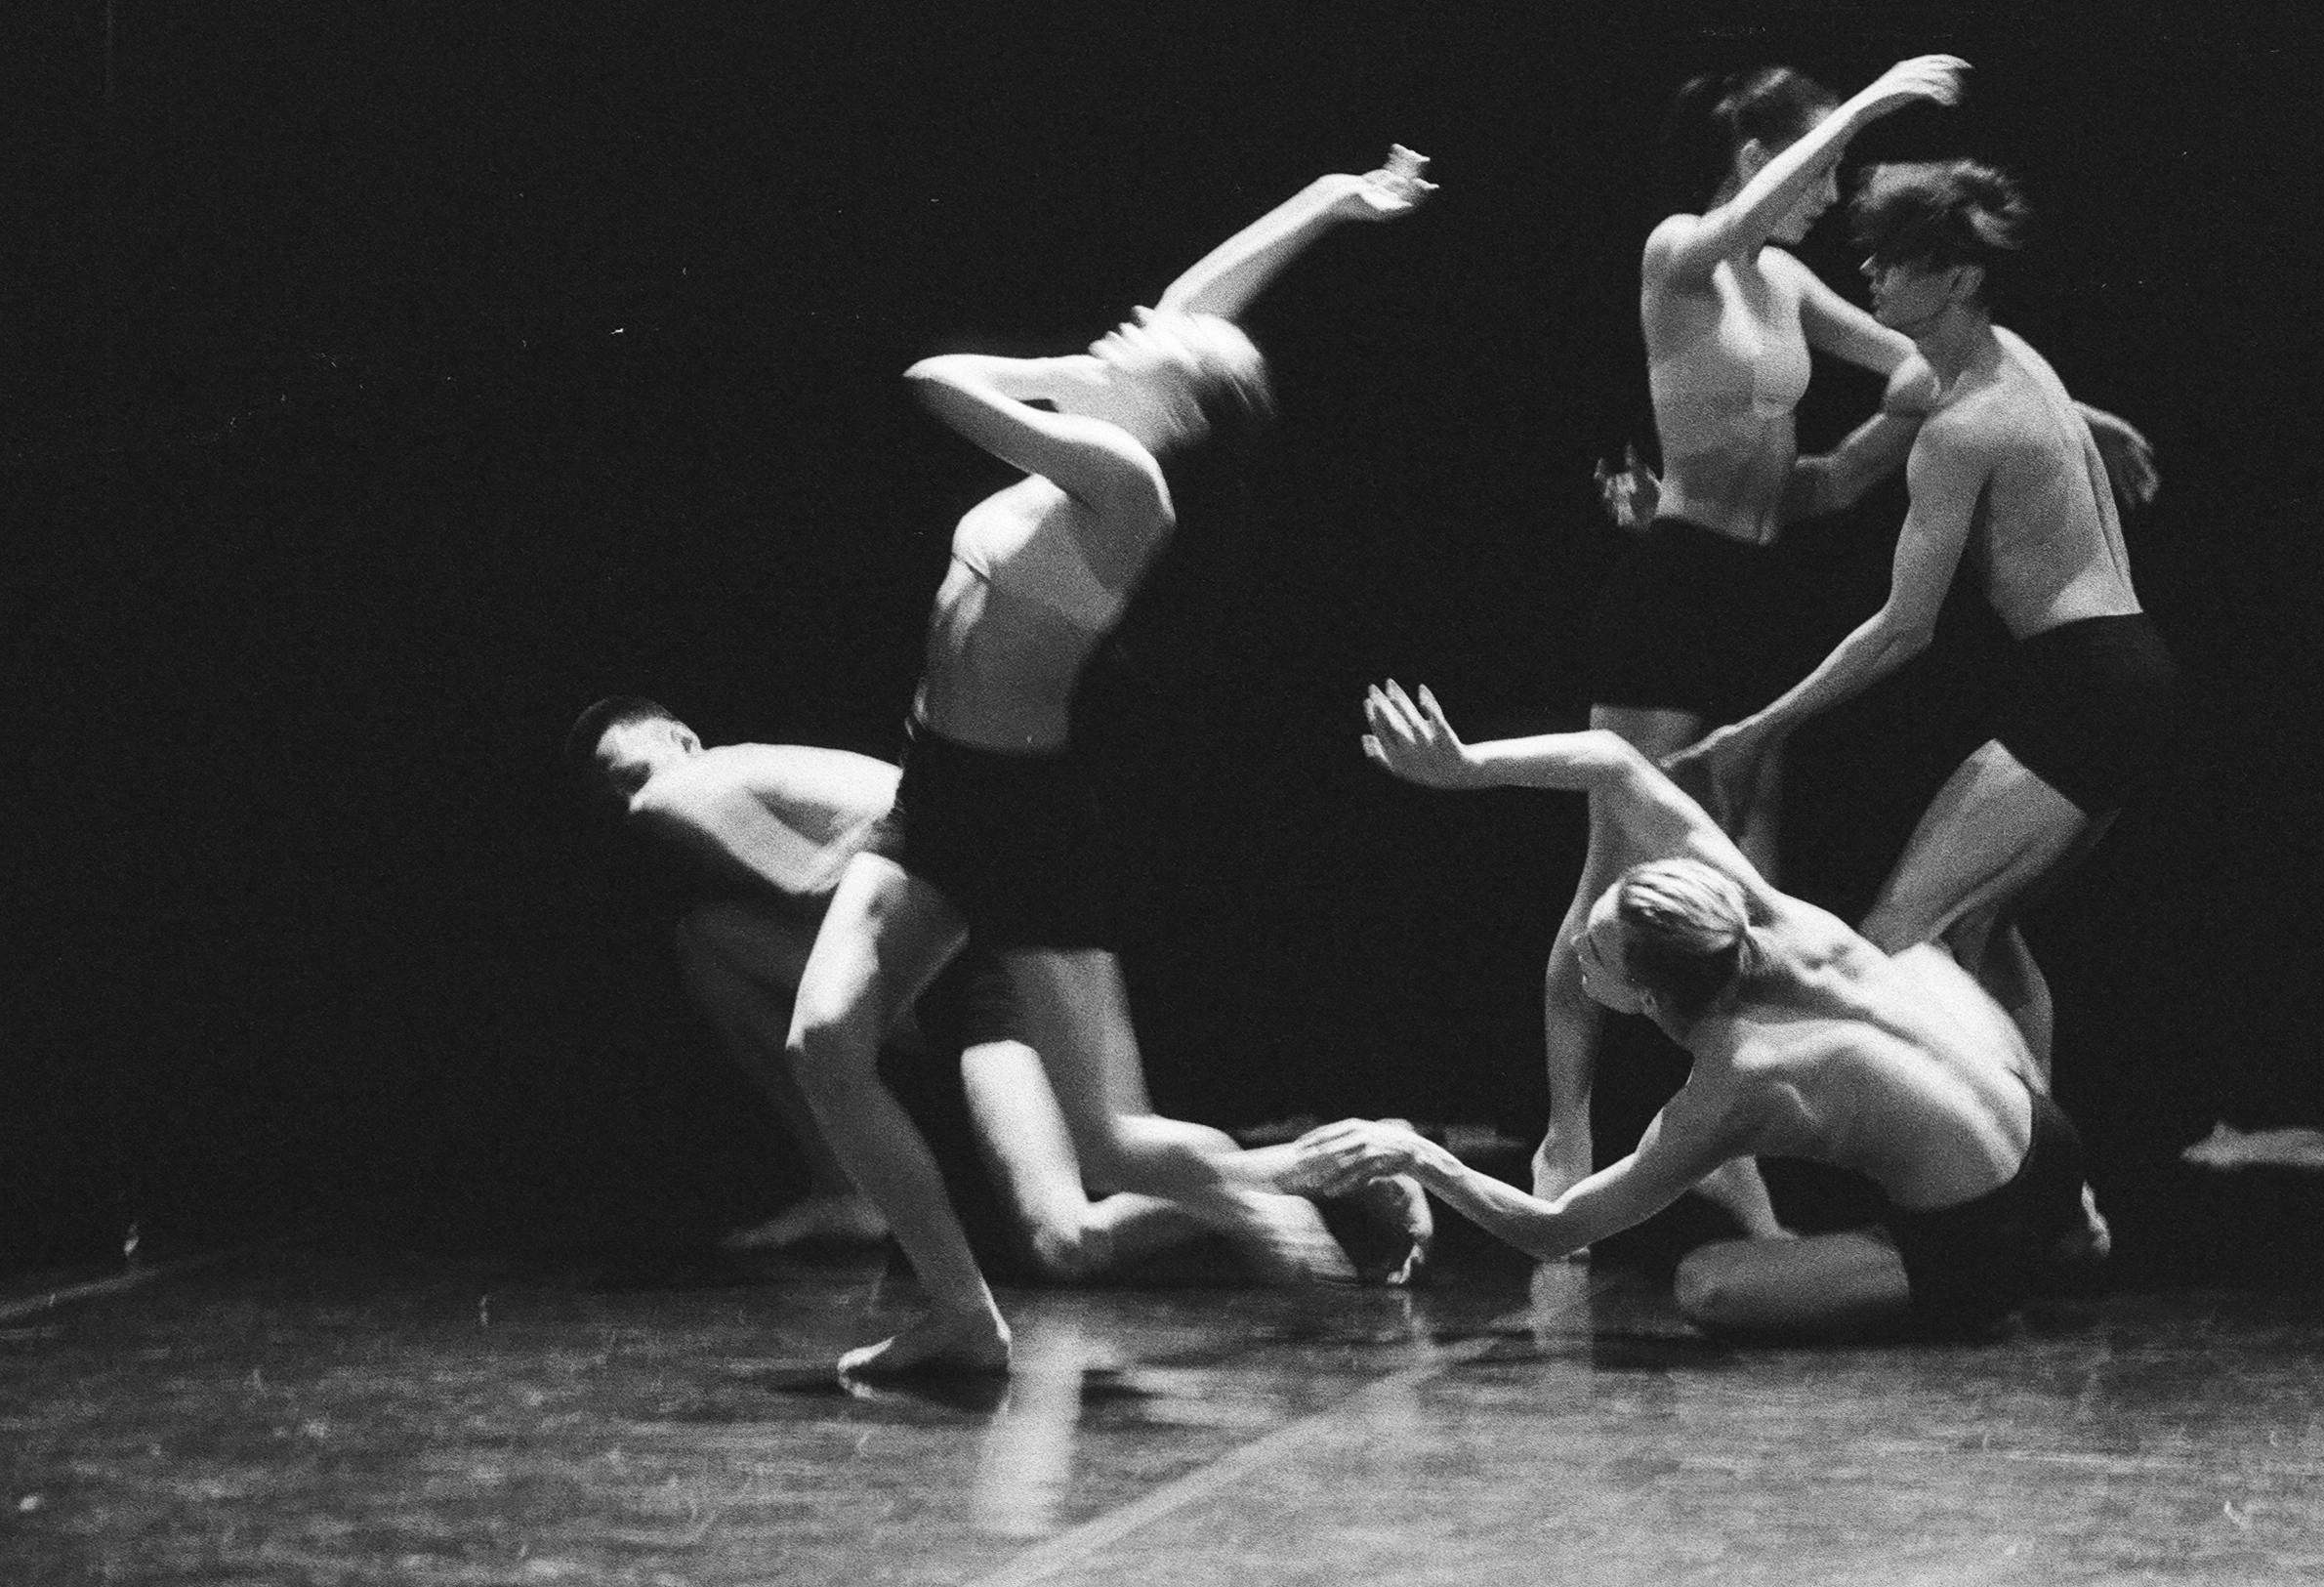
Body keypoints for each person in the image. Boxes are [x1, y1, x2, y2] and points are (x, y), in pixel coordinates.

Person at [789, 153, 1435, 1378]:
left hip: (1027, 817)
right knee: (824, 1041)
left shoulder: (1129, 483)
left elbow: (933, 376)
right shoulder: (1128, 426)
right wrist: (1329, 201)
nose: (1139, 322)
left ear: (1174, 408)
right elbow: (1197, 310)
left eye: (1152, 343)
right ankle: (960, 1313)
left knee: (1116, 1143)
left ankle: (1346, 1160)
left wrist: (1066, 373)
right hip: (936, 788)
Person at [1545, 58, 2156, 1218]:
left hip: (1804, 599)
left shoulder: (1831, 313)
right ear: (1758, 157)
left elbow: (1926, 393)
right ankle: (1569, 1136)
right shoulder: (1686, 248)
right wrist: (1877, 102)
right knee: (1623, 866)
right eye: (1820, 165)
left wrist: (2071, 417)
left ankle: (1806, 1150)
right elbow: (1752, 238)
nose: (1838, 210)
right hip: (1684, 579)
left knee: (1801, 902)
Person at [1302, 682, 2103, 1339]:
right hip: (2049, 1135)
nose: (1577, 947)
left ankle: (2025, 1261)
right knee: (1914, 956)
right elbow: (1614, 762)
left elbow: (1557, 1228)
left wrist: (1418, 1158)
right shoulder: (1763, 916)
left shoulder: (1733, 1082)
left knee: (1706, 1285)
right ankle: (2074, 1222)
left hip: (1984, 1238)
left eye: (1596, 955)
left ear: (1647, 998)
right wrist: (1468, 766)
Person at [1670, 159, 2177, 1084]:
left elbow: (1905, 631)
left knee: (1896, 942)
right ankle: (2043, 1191)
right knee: (1980, 930)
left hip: (2088, 685)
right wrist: (1686, 500)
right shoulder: (2000, 363)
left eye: (1893, 261)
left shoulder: (1964, 427)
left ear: (1959, 279)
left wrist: (1754, 731)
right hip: (2122, 677)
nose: (1868, 273)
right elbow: (1827, 481)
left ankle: (1987, 1182)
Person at [562, 699, 1213, 1273]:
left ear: (679, 739)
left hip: (984, 951)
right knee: (1080, 1223)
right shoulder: (772, 772)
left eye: (627, 775)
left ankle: (1278, 1172)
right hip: (1010, 936)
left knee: (1067, 1234)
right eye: (610, 798)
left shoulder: (685, 786)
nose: (629, 803)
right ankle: (1279, 1174)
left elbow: (822, 884)